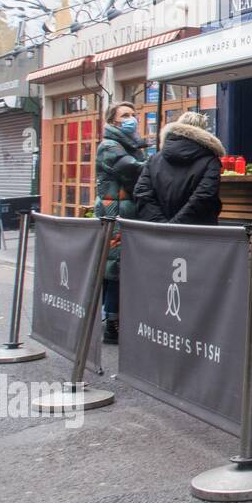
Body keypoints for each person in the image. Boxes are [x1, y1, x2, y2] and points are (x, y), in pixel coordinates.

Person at [95, 101, 148, 344]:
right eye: (125, 114)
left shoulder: (129, 144)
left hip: (124, 212)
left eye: (133, 114)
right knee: (115, 267)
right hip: (115, 212)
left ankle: (112, 318)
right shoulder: (109, 146)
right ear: (114, 120)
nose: (132, 118)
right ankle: (111, 324)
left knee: (116, 266)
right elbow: (131, 170)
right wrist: (158, 164)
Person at [134, 111, 225, 225]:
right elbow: (204, 197)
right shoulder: (210, 160)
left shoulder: (154, 159)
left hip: (157, 234)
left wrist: (161, 225)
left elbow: (142, 193)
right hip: (197, 233)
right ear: (204, 131)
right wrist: (176, 225)